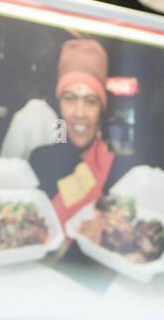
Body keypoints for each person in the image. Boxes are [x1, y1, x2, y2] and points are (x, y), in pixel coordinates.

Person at [29, 37, 135, 227]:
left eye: (90, 101)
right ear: (58, 105)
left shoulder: (118, 170)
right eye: (70, 98)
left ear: (101, 109)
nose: (79, 113)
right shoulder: (39, 160)